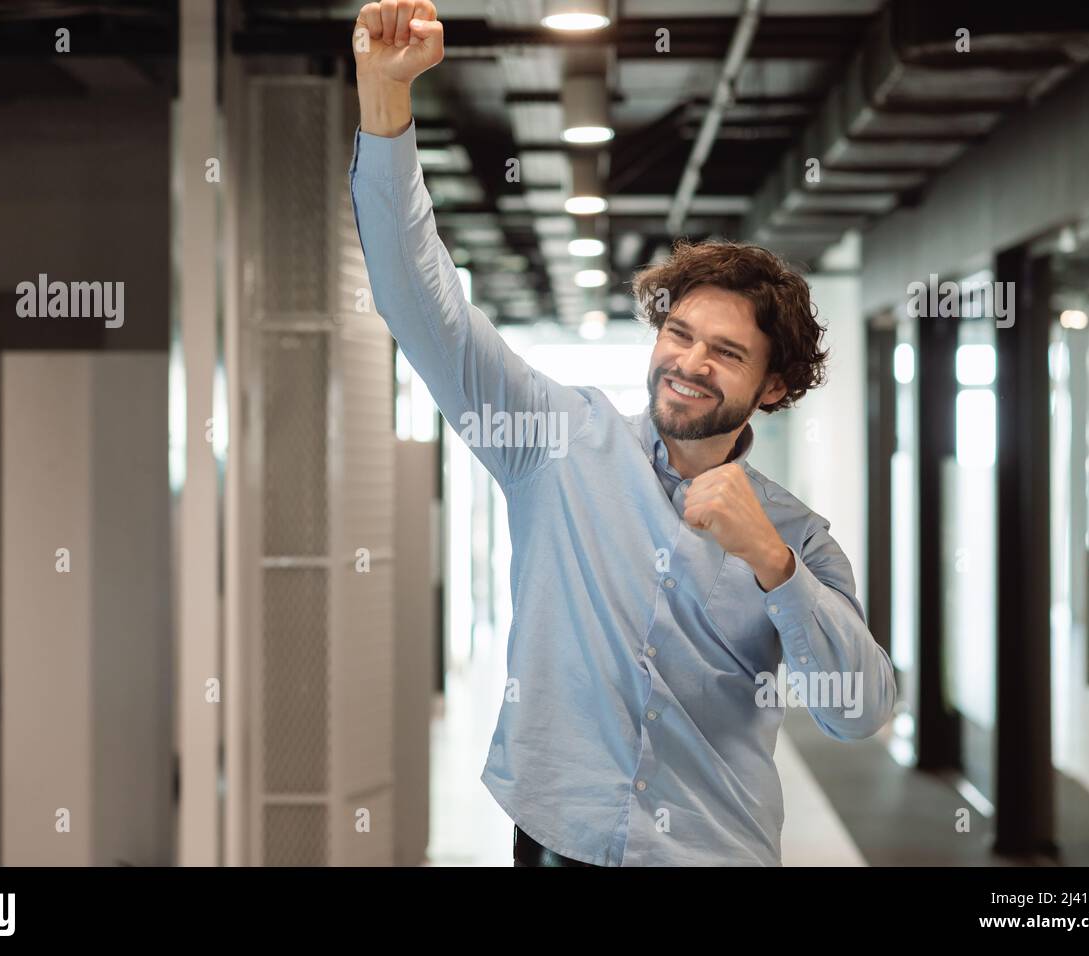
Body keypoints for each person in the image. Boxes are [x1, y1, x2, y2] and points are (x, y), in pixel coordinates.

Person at [349, 0, 896, 867]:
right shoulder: (555, 442)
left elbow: (859, 710)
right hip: (557, 843)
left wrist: (774, 568)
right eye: (678, 333)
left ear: (775, 385)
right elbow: (425, 308)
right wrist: (385, 108)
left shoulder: (798, 539)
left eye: (725, 352)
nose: (688, 361)